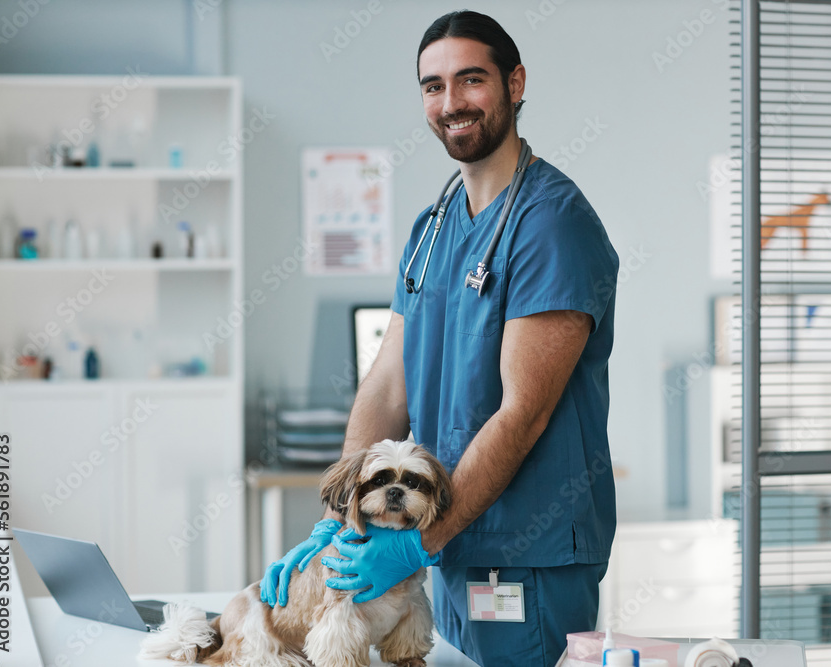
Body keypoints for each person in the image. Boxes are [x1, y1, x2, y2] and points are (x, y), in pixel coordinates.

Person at [260, 10, 619, 665]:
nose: (451, 102)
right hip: (448, 549)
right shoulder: (434, 226)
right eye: (433, 86)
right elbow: (387, 383)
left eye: (470, 80)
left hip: (525, 556)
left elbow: (524, 411)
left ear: (514, 83)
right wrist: (341, 514)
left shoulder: (552, 226)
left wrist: (418, 543)